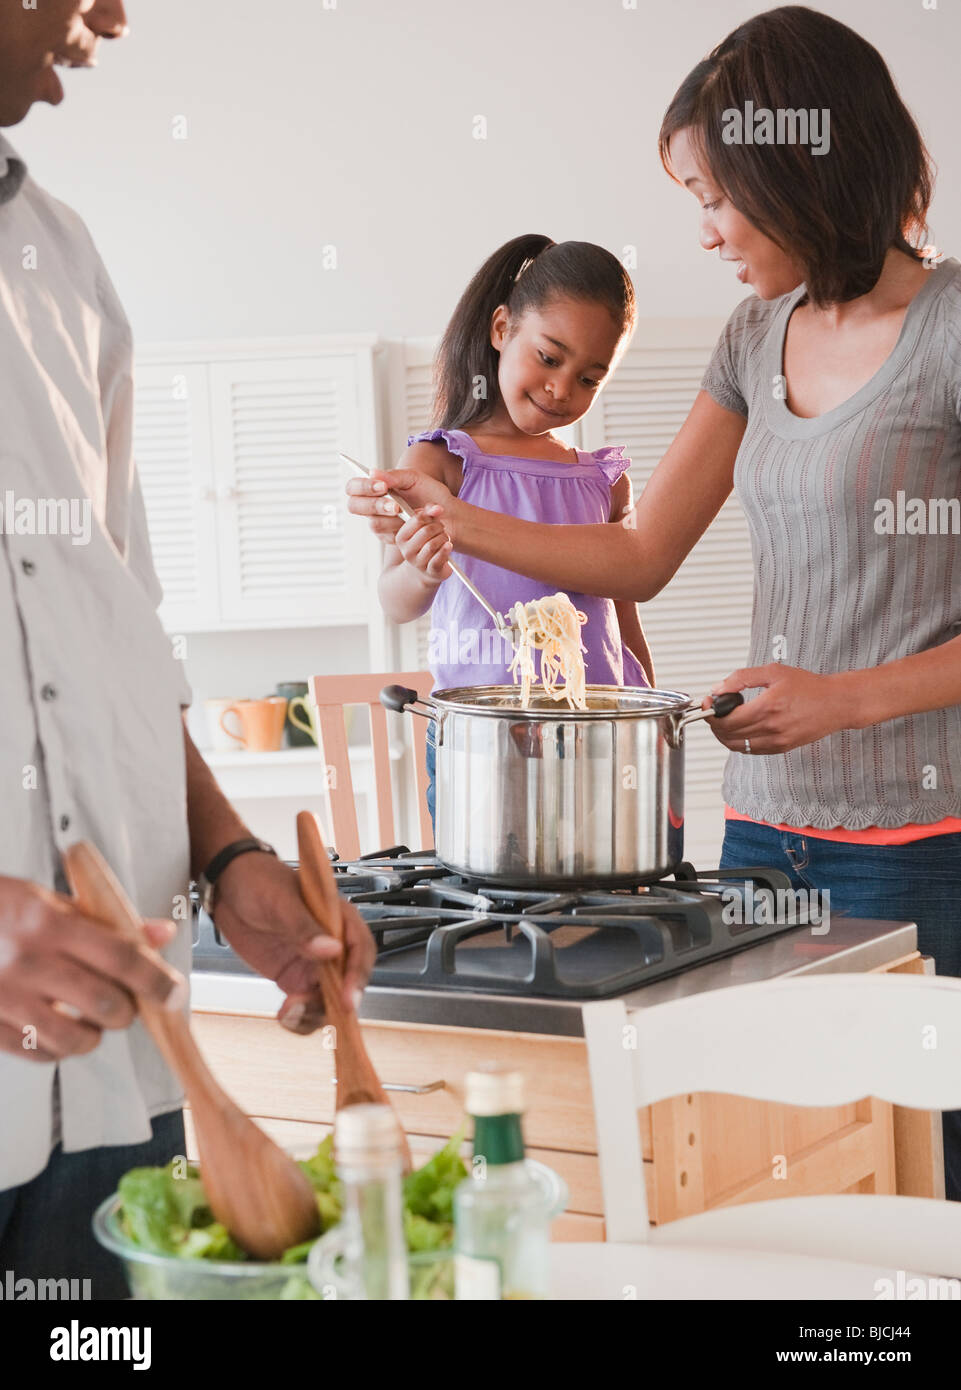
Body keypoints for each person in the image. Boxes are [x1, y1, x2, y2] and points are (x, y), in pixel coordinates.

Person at [348, 6, 961, 1196]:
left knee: (930, 1177)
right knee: (776, 1166)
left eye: (715, 193)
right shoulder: (750, 336)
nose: (708, 229)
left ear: (801, 164)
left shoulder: (948, 329)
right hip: (762, 835)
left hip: (923, 841)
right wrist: (449, 511)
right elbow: (634, 557)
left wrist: (846, 698)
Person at [0, 0, 375, 1296]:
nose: (109, 14)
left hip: (122, 1091)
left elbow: (118, 640)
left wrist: (225, 857)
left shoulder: (62, 263)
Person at [361, 233, 655, 821]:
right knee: (494, 904)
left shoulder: (600, 479)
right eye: (549, 357)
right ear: (502, 329)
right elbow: (395, 600)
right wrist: (421, 572)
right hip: (481, 741)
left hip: (594, 735)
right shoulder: (443, 461)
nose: (561, 389)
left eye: (590, 378)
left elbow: (622, 619)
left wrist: (648, 713)